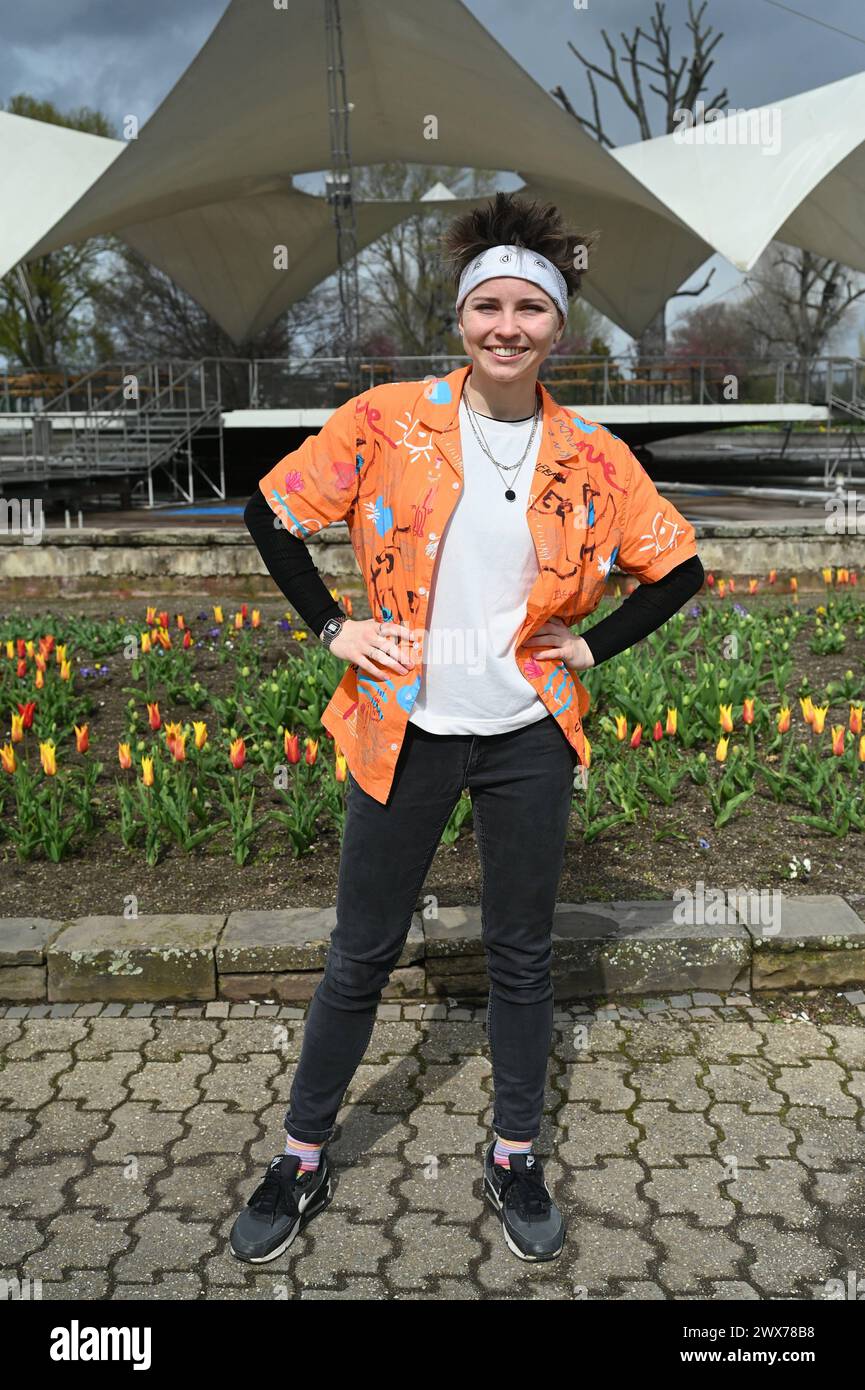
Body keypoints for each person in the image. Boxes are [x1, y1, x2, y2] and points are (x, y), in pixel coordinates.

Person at [230, 192, 703, 1265]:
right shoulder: (389, 419)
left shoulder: (591, 453)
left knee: (521, 957)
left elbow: (679, 566)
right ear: (461, 319)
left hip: (527, 737)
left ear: (557, 328)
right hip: (406, 729)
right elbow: (271, 509)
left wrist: (590, 649)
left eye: (528, 308)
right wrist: (332, 628)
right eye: (487, 305)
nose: (506, 325)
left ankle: (514, 1150)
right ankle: (301, 1152)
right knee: (360, 954)